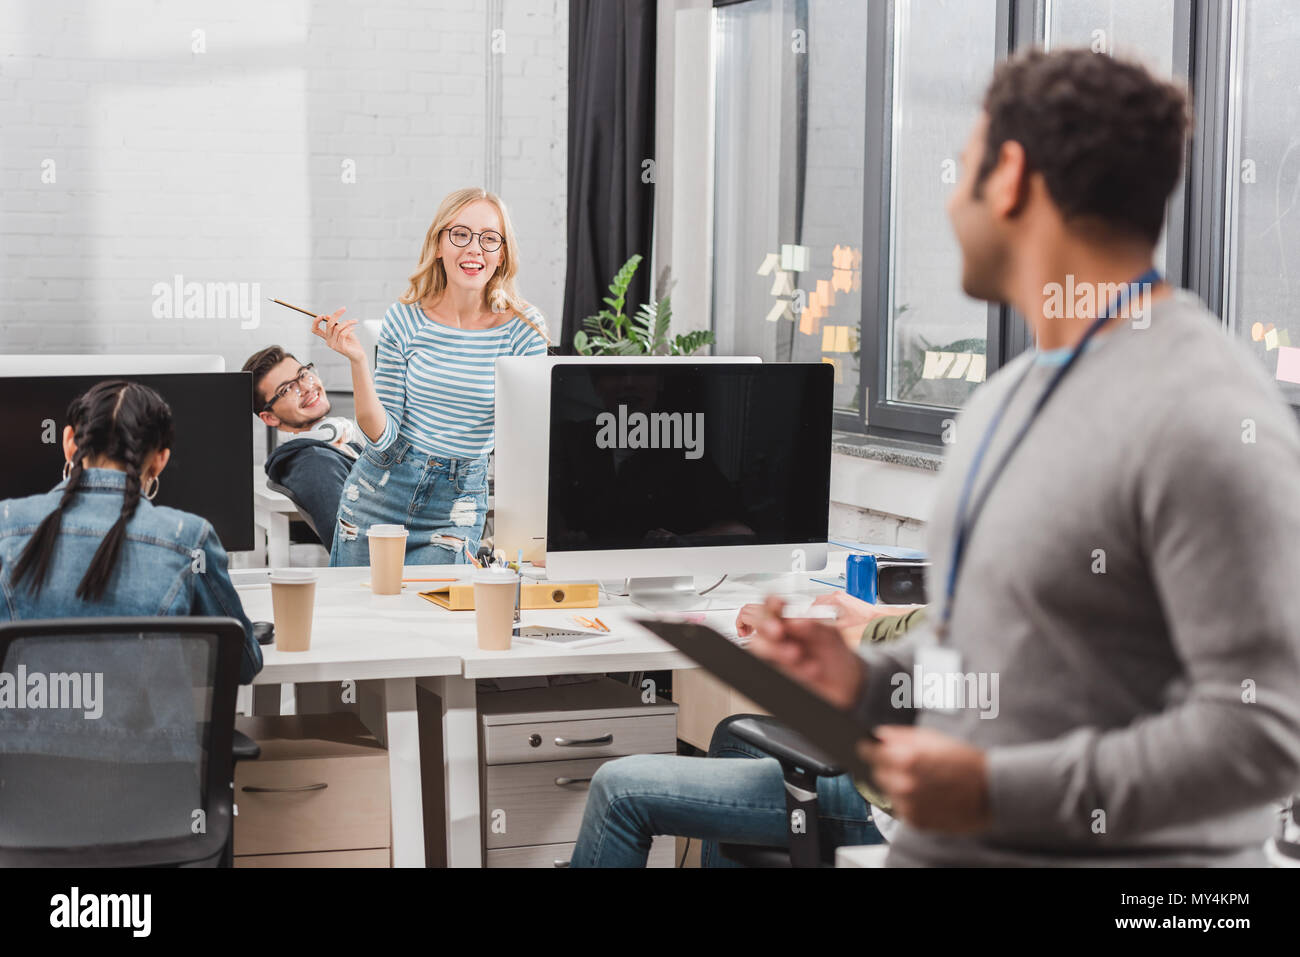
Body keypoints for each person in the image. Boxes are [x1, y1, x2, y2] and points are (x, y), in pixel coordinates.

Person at [748, 49, 1300, 866]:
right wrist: (866, 682)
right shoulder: (1005, 400)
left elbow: (1261, 731)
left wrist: (998, 790)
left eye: (961, 167)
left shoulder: (1206, 415)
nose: (947, 200)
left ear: (1008, 176)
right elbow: (996, 662)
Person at [569, 593, 924, 867]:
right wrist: (871, 614)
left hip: (894, 809)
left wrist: (796, 637)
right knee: (734, 737)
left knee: (618, 788)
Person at [315, 187, 548, 566]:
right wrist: (358, 361)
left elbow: (527, 443)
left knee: (438, 620)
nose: (475, 249)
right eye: (460, 234)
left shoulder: (523, 330)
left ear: (501, 254)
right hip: (380, 489)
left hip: (456, 504)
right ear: (439, 244)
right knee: (357, 618)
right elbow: (382, 437)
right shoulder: (404, 319)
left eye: (489, 239)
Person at [0, 379, 263, 684]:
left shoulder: (6, 525)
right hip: (150, 733)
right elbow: (242, 664)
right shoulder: (191, 539)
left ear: (69, 441)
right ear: (160, 460)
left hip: (24, 732)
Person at [243, 345, 363, 551]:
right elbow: (353, 550)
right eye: (286, 389)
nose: (306, 387)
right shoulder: (316, 464)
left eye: (303, 374)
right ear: (270, 417)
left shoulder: (340, 448)